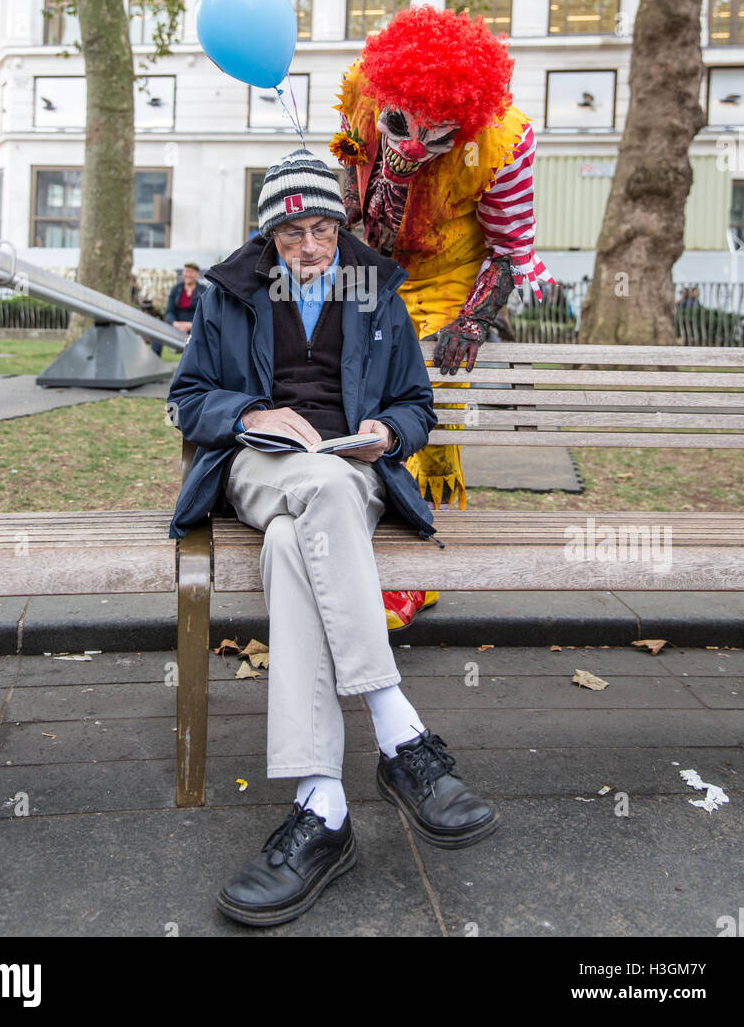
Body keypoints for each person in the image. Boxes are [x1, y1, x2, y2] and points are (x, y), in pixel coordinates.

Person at [167, 148, 499, 928]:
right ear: (268, 238)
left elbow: (418, 402)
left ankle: (322, 808)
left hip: (351, 475)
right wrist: (249, 415)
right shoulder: (229, 292)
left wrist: (389, 430)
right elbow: (188, 399)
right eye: (292, 235)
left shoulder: (374, 287)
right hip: (261, 466)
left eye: (322, 229)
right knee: (308, 485)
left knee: (292, 542)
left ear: (339, 225)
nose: (310, 249)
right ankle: (400, 734)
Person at [330, 5, 555, 629]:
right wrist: (368, 192)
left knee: (428, 393)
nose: (413, 145)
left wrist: (474, 321)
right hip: (373, 263)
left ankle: (417, 569)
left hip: (451, 272)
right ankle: (356, 544)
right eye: (402, 123)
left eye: (437, 134)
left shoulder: (502, 142)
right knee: (351, 389)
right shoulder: (364, 91)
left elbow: (511, 250)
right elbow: (351, 178)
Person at [150, 262, 203, 356]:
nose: (188, 275)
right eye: (186, 271)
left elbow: (204, 313)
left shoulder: (203, 291)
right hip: (176, 324)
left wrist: (190, 325)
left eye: (191, 272)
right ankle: (155, 363)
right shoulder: (176, 289)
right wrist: (175, 323)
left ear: (197, 274)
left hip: (194, 326)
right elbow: (169, 311)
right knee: (156, 332)